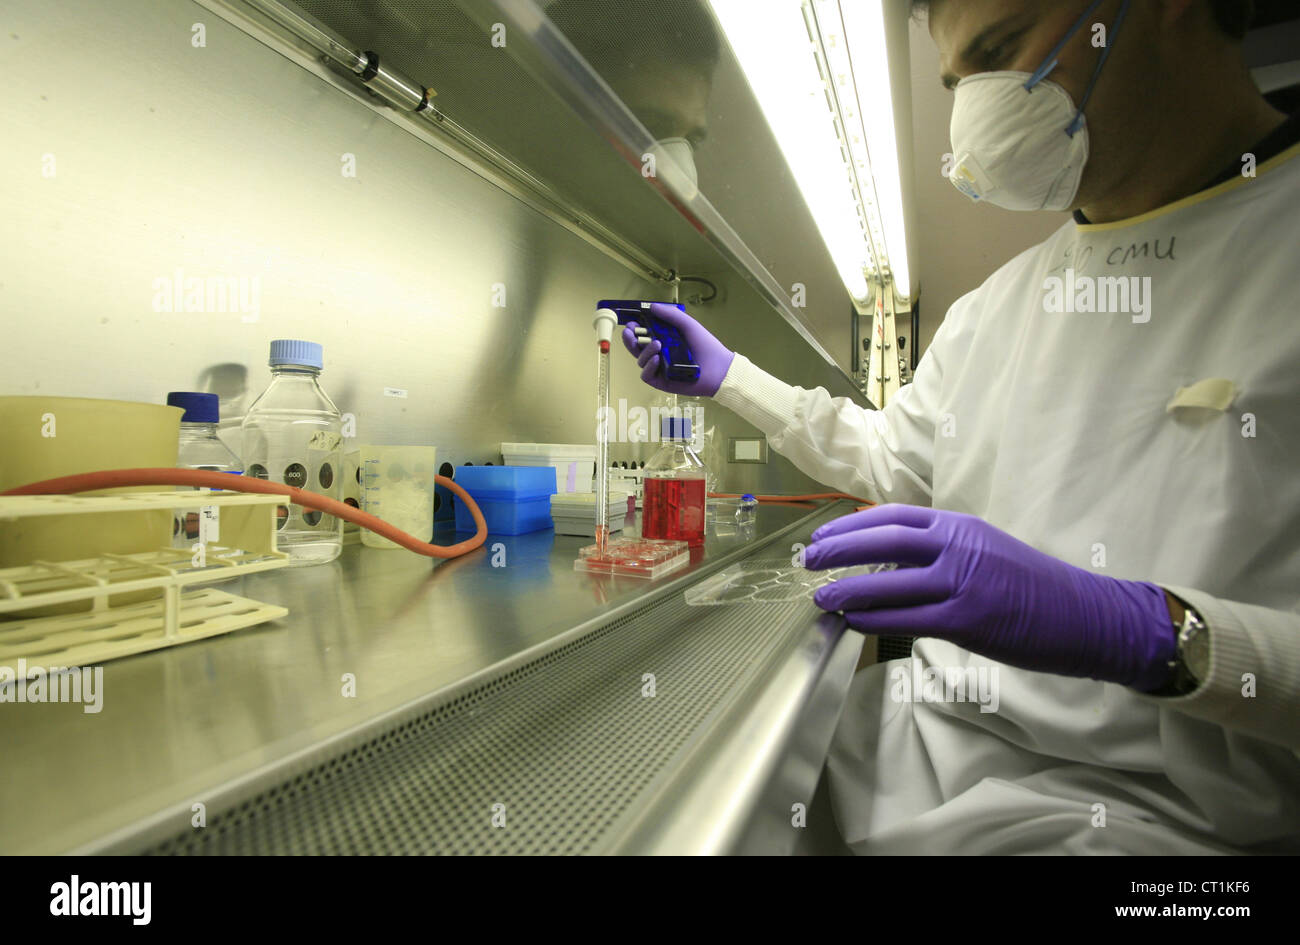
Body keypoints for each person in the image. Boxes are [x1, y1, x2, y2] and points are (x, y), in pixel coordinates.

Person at [621, 0, 1299, 854]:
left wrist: (1160, 635)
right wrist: (731, 379)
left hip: (1168, 842)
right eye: (959, 79)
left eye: (1003, 49)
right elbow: (889, 457)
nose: (979, 106)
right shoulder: (998, 307)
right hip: (903, 761)